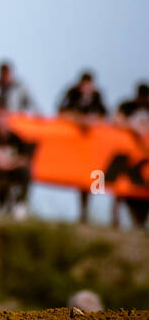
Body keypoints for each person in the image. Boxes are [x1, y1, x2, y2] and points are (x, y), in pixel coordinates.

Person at [58, 71, 108, 224]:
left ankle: (87, 213)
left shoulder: (97, 96)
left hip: (92, 148)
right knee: (74, 177)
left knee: (93, 180)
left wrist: (91, 121)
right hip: (73, 145)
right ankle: (79, 213)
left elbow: (105, 116)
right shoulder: (72, 93)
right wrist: (78, 120)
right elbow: (61, 111)